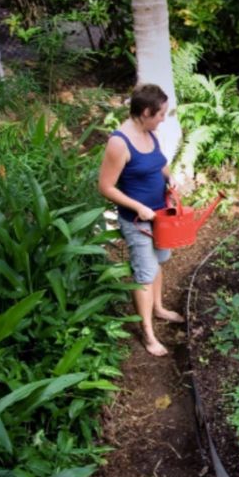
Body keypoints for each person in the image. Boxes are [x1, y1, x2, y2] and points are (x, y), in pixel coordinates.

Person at [98, 83, 184, 357]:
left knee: (159, 262)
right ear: (146, 112)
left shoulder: (149, 132)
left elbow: (159, 163)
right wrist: (138, 207)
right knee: (144, 275)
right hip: (138, 221)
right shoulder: (119, 142)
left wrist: (170, 179)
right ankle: (148, 333)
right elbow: (106, 187)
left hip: (161, 215)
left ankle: (158, 308)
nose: (163, 119)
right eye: (160, 114)